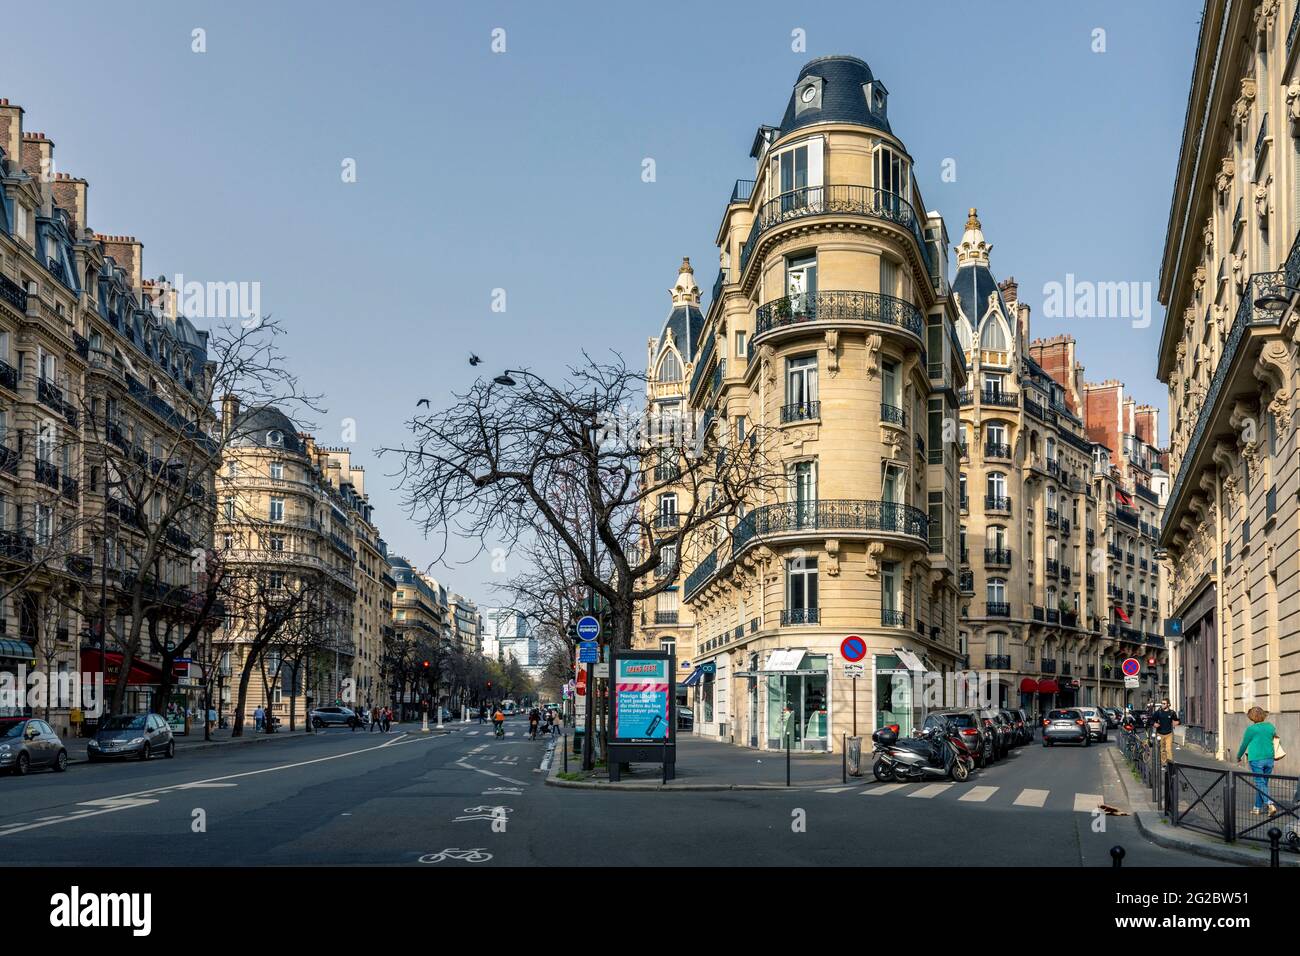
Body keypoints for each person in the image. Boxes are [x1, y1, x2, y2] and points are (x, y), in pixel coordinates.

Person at [1236, 706, 1279, 815]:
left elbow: (1244, 744)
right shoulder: (1270, 727)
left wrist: (1239, 756)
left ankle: (1270, 804)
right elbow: (1276, 739)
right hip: (1269, 759)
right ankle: (1257, 808)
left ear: (1252, 717)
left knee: (1260, 783)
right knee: (1263, 783)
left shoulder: (1251, 729)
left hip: (1256, 759)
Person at [1150, 698, 1179, 763]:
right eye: (1161, 703)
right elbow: (1151, 720)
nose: (1162, 705)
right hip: (1160, 734)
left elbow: (1177, 720)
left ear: (1168, 704)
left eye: (1164, 703)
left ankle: (1170, 765)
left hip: (1169, 734)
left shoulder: (1172, 713)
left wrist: (1177, 723)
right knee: (1162, 750)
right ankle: (1164, 764)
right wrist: (1154, 723)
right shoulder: (1158, 712)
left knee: (1168, 749)